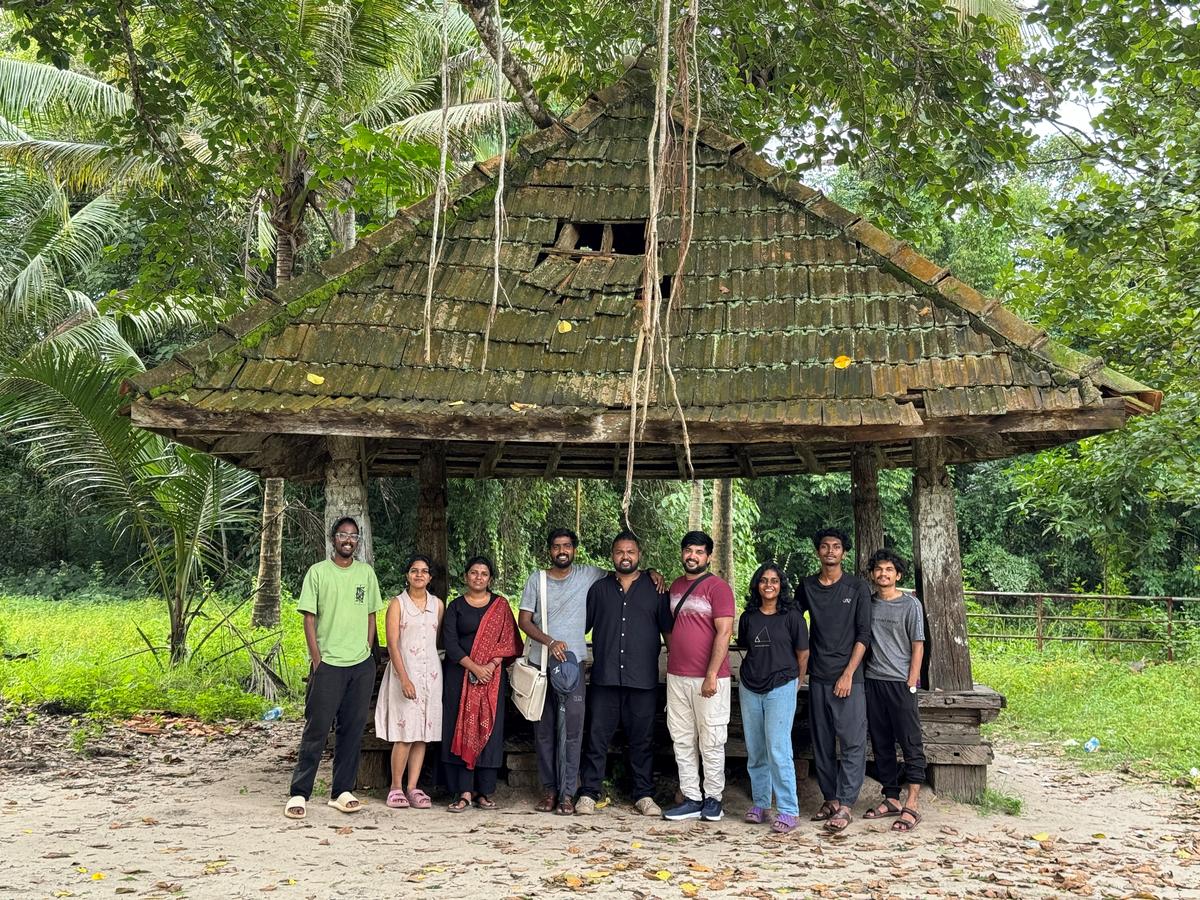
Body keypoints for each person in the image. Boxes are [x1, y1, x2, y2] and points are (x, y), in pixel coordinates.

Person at [284, 517, 385, 819]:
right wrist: (318, 661)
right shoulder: (318, 573)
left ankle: (341, 791)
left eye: (353, 536)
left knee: (352, 730)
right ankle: (299, 793)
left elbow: (371, 616)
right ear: (333, 539)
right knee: (316, 729)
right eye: (342, 534)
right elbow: (309, 619)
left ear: (358, 542)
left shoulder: (366, 574)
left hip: (360, 665)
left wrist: (367, 651)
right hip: (329, 664)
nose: (348, 540)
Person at [577, 531, 673, 818]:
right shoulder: (599, 589)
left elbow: (668, 633)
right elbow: (579, 627)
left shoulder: (655, 590)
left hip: (642, 679)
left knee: (642, 740)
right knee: (596, 737)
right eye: (620, 552)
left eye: (630, 551)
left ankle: (643, 794)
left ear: (639, 555)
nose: (625, 556)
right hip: (605, 678)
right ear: (612, 556)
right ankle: (589, 792)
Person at [517, 528, 605, 816]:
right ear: (549, 550)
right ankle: (549, 790)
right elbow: (524, 620)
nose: (562, 551)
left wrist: (653, 573)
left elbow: (623, 572)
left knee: (572, 732)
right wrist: (550, 641)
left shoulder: (588, 574)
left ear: (574, 549)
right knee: (543, 730)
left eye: (567, 545)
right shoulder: (537, 579)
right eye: (556, 546)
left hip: (573, 664)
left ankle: (568, 793)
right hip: (540, 664)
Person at [801, 527, 872, 833]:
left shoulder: (857, 588)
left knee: (853, 742)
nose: (830, 551)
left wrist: (848, 673)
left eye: (837, 546)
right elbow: (788, 618)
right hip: (817, 675)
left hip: (849, 679)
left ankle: (845, 804)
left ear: (844, 553)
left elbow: (864, 635)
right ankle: (830, 798)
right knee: (822, 742)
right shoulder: (807, 586)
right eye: (825, 546)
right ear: (818, 551)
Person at [662, 530, 736, 823]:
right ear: (682, 553)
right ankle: (691, 796)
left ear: (708, 556)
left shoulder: (717, 588)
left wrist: (711, 674)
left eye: (699, 552)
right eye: (688, 550)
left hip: (709, 678)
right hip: (677, 676)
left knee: (712, 739)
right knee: (681, 738)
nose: (692, 556)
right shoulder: (676, 586)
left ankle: (713, 798)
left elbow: (725, 632)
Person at [441, 556, 523, 812]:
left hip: (492, 679)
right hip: (460, 676)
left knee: (490, 730)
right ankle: (463, 791)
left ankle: (483, 792)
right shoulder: (455, 607)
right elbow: (450, 644)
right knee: (460, 727)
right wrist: (475, 667)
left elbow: (510, 641)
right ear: (466, 576)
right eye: (473, 573)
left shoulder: (500, 606)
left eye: (484, 573)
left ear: (490, 578)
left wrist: (490, 666)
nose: (478, 577)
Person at [737, 562, 809, 833]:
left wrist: (796, 683)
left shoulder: (792, 617)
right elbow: (746, 645)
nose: (769, 585)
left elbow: (803, 654)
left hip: (781, 686)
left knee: (778, 748)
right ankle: (761, 804)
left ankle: (789, 809)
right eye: (764, 580)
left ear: (781, 586)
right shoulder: (749, 617)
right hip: (750, 686)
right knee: (756, 748)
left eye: (775, 580)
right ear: (757, 585)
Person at [862, 548, 927, 832]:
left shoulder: (911, 605)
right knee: (881, 742)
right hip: (873, 681)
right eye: (879, 569)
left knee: (910, 741)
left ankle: (912, 802)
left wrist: (912, 681)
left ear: (898, 575)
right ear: (873, 574)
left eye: (889, 570)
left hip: (901, 683)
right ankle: (891, 798)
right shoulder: (868, 603)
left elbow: (918, 644)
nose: (883, 574)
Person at [375, 554, 442, 810]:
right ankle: (395, 787)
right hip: (405, 673)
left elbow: (436, 641)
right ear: (407, 575)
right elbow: (392, 644)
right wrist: (404, 678)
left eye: (424, 571)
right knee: (404, 733)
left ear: (430, 577)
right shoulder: (397, 604)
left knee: (422, 733)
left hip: (431, 677)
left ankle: (413, 787)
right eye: (414, 570)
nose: (419, 575)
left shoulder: (437, 605)